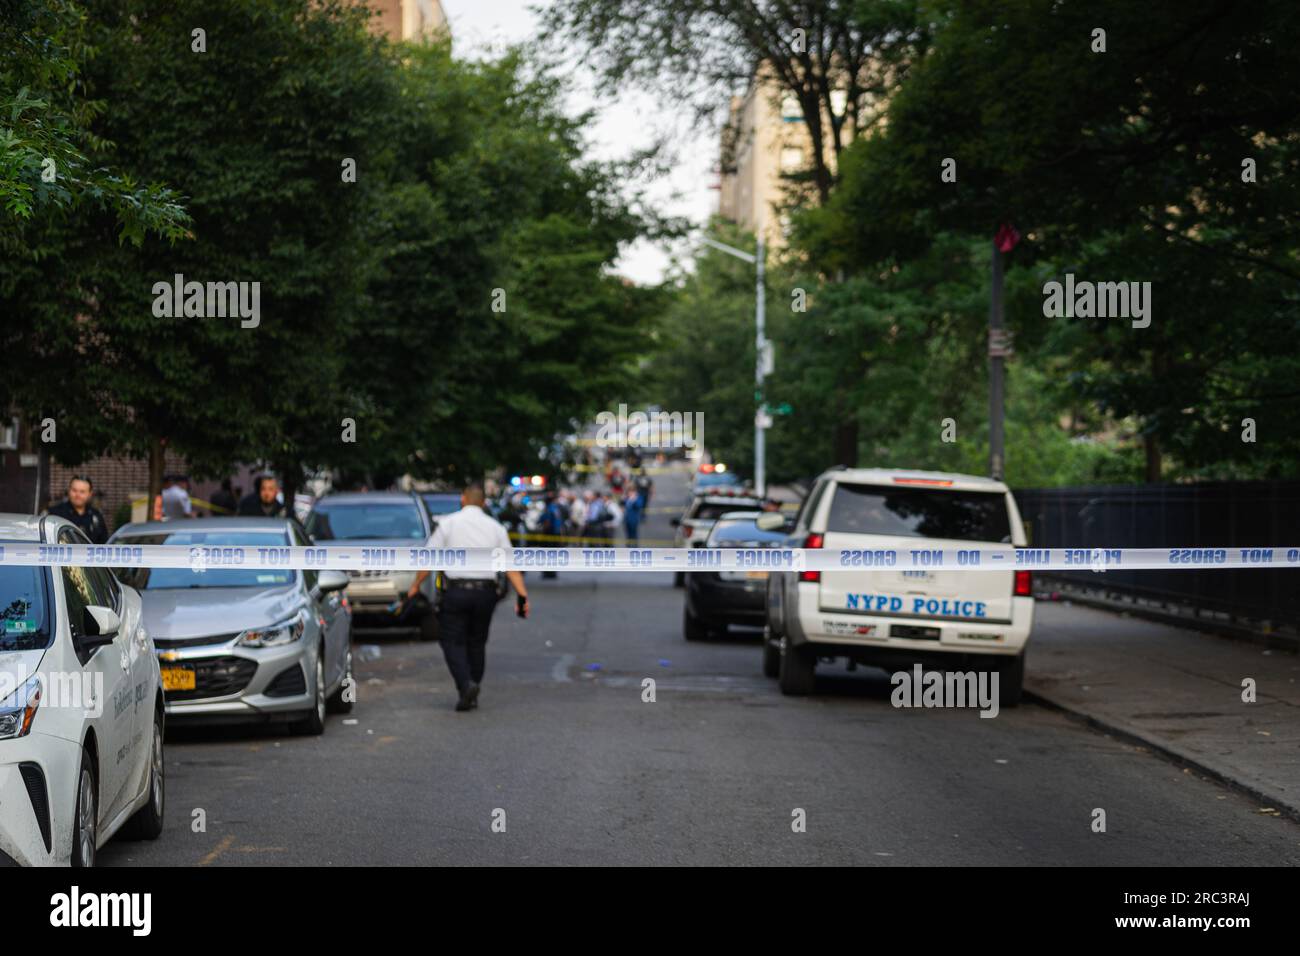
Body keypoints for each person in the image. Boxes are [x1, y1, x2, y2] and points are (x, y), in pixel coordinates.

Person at [405, 483, 529, 712]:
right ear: (483, 503)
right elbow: (511, 566)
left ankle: (465, 685)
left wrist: (415, 586)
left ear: (463, 499)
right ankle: (472, 687)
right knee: (477, 641)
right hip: (486, 593)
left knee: (451, 640)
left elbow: (428, 559)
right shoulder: (495, 528)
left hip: (456, 591)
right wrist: (522, 596)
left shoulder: (448, 524)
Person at [47, 476, 108, 544]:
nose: (77, 495)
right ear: (69, 491)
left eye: (82, 492)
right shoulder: (55, 513)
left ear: (90, 494)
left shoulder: (96, 516)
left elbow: (104, 543)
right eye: (74, 490)